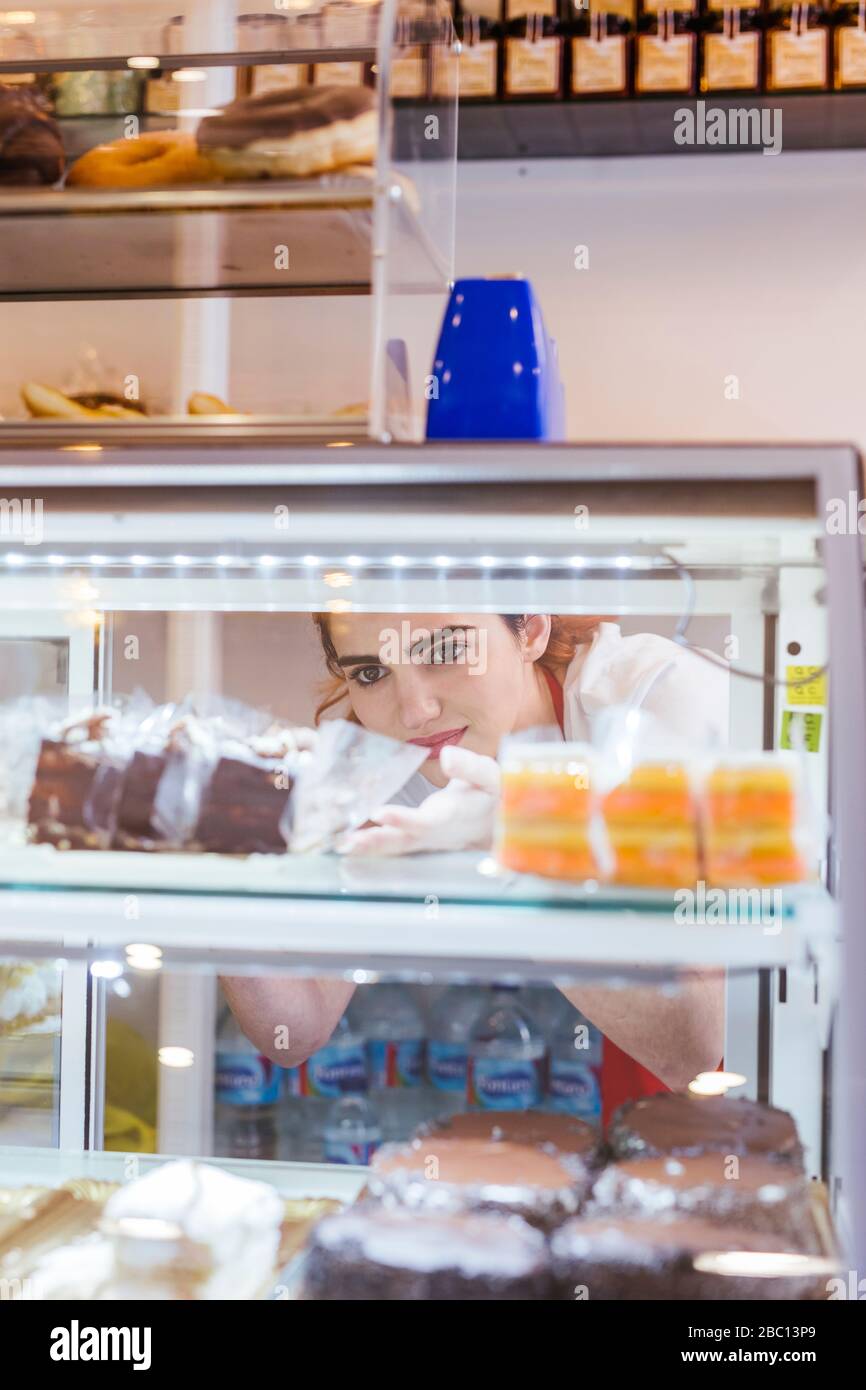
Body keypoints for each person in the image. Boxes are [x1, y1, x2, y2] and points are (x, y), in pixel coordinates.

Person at [222, 612, 728, 1124]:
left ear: (530, 630)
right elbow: (296, 1029)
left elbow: (694, 1048)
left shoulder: (650, 698)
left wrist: (510, 849)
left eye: (444, 653)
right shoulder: (401, 756)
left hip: (746, 1103)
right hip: (633, 1114)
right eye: (371, 674)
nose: (416, 711)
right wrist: (216, 844)